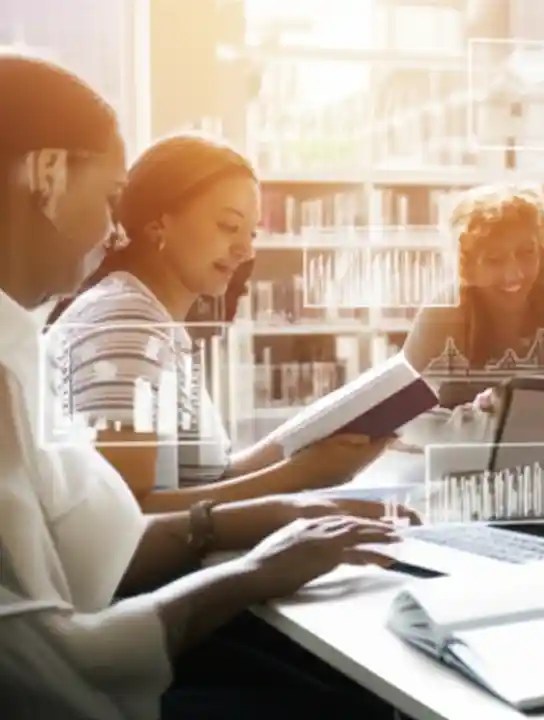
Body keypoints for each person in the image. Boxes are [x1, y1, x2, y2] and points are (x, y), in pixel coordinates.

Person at [0, 53, 405, 719]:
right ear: (46, 176)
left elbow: (115, 534)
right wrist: (268, 544)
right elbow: (49, 664)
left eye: (251, 232)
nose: (113, 227)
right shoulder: (116, 327)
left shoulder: (31, 341)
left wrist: (293, 493)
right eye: (108, 198)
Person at [47, 134, 391, 513]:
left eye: (252, 234)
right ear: (158, 224)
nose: (246, 250)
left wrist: (312, 449)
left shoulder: (154, 321)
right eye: (229, 226)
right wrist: (303, 475)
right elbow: (128, 520)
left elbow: (208, 482)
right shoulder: (127, 324)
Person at [403, 182, 544, 409]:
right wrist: (475, 420)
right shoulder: (440, 317)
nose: (514, 274)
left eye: (527, 253)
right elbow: (401, 417)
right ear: (468, 266)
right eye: (494, 259)